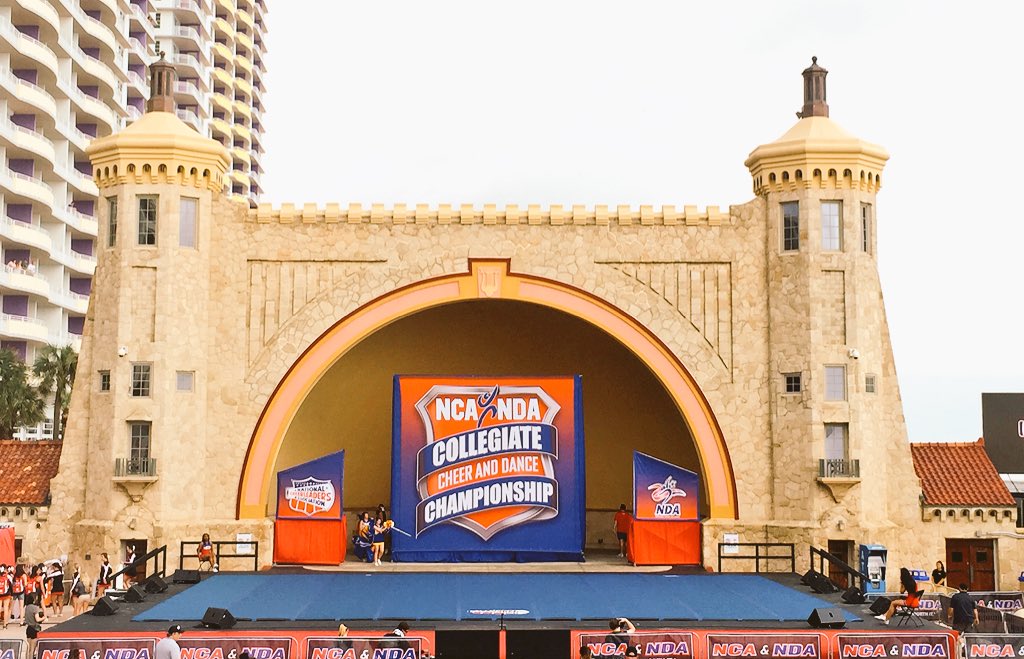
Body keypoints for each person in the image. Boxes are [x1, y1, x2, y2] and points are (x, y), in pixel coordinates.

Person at [24, 592, 46, 659]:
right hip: (35, 629)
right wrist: (44, 617)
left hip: (28, 628)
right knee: (33, 649)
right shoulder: (35, 608)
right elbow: (37, 619)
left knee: (29, 648)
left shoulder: (26, 607)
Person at [0, 564, 11, 629]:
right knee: (6, 608)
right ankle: (5, 624)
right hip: (7, 594)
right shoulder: (8, 576)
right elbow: (11, 585)